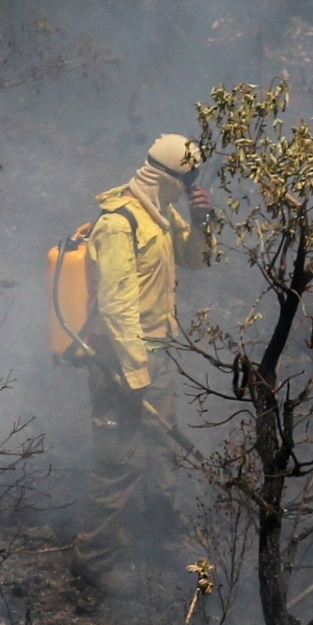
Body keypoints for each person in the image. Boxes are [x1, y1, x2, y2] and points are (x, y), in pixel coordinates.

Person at [73, 134, 212, 591]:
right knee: (120, 462)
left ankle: (163, 538)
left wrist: (200, 219)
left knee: (161, 454)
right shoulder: (119, 223)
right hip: (118, 361)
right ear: (165, 175)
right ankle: (93, 560)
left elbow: (195, 262)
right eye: (186, 178)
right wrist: (134, 372)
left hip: (158, 354)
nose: (189, 185)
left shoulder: (161, 215)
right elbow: (116, 306)